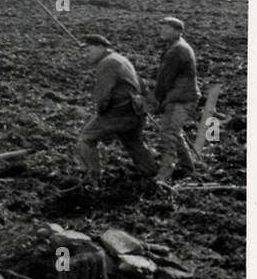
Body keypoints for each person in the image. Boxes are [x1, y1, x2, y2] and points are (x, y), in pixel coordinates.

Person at [75, 33, 157, 188]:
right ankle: (151, 175)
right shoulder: (120, 58)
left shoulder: (107, 63)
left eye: (89, 50)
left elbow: (102, 95)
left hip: (119, 112)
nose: (86, 55)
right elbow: (141, 84)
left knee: (85, 139)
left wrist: (100, 114)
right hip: (135, 110)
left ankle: (93, 179)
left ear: (100, 47)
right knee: (134, 143)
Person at [152, 16, 200, 185]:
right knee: (175, 133)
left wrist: (156, 102)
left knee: (168, 135)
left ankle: (164, 176)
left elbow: (164, 80)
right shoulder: (178, 47)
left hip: (179, 98)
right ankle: (188, 168)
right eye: (162, 28)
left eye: (167, 29)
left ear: (178, 32)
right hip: (184, 96)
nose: (163, 31)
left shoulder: (176, 51)